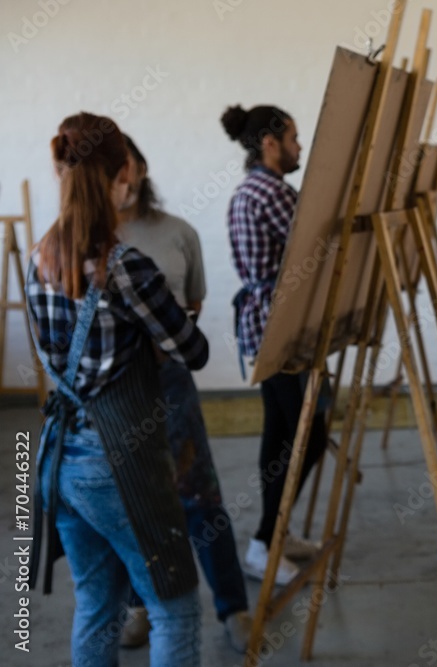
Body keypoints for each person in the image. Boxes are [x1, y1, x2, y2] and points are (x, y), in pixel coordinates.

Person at [27, 112, 205, 667]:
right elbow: (192, 350)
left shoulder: (40, 258)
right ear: (123, 171)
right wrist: (166, 329)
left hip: (62, 458)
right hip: (118, 462)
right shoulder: (125, 265)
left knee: (98, 603)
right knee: (173, 606)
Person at [114, 135, 252, 652]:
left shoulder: (178, 233)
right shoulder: (92, 239)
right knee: (133, 504)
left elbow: (192, 305)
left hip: (171, 382)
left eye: (127, 168)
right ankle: (139, 606)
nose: (122, 181)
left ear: (141, 168)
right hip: (119, 394)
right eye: (113, 171)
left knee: (199, 496)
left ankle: (232, 605)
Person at [221, 103, 328, 584]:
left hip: (268, 326)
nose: (299, 146)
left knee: (282, 434)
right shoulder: (272, 193)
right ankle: (264, 541)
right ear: (270, 142)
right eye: (293, 138)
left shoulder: (257, 190)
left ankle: (273, 537)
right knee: (307, 435)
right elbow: (320, 246)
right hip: (278, 328)